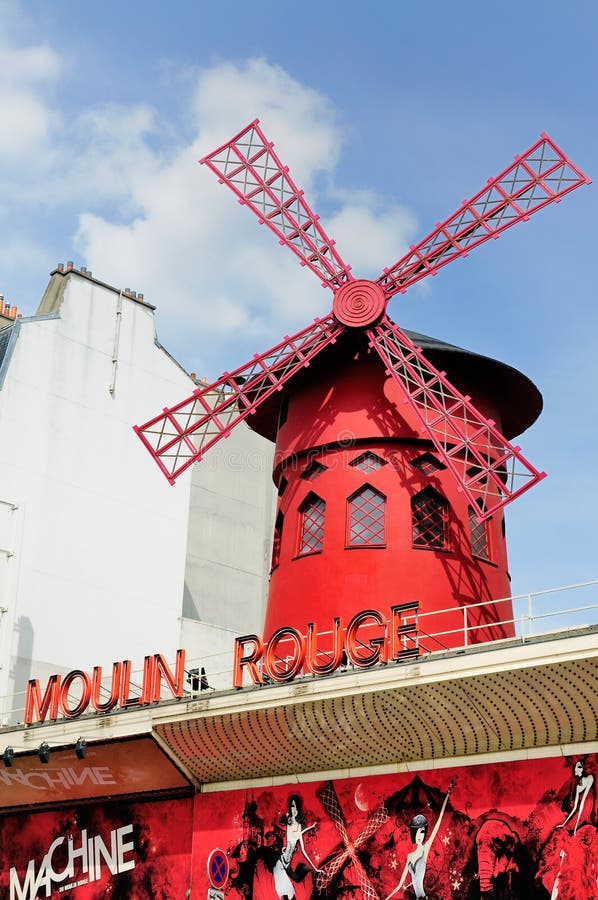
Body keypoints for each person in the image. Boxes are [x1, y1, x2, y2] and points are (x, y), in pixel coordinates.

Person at [386, 781, 454, 900]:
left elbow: (439, 821)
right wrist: (387, 898)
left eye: (422, 832)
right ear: (413, 833)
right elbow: (400, 884)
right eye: (417, 831)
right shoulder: (410, 856)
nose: (419, 835)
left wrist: (447, 794)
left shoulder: (425, 849)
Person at [272, 794, 319, 899]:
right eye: (292, 806)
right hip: (281, 863)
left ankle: (303, 870)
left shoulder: (298, 827)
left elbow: (303, 849)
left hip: (286, 865)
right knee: (286, 895)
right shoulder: (288, 820)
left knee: (290, 895)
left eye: (296, 806)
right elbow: (286, 833)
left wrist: (316, 868)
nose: (294, 809)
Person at [557, 759, 595, 835]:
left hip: (588, 804)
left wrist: (575, 826)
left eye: (579, 766)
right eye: (577, 767)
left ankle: (576, 827)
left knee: (575, 823)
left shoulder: (590, 778)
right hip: (583, 805)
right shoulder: (578, 787)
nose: (577, 768)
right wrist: (563, 824)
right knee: (569, 825)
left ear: (582, 769)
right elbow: (575, 808)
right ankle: (571, 828)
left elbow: (584, 800)